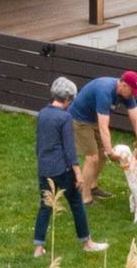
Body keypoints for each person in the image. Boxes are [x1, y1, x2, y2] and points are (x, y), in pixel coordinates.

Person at [32, 77, 107, 257]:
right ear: (67, 99)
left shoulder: (42, 113)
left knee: (45, 206)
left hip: (44, 168)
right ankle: (87, 242)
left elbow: (39, 143)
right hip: (62, 169)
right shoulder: (65, 117)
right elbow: (69, 148)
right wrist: (78, 173)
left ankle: (38, 249)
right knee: (76, 204)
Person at [71, 69, 137, 202]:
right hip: (80, 120)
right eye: (132, 91)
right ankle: (84, 197)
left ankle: (92, 186)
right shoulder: (105, 91)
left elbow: (136, 119)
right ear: (124, 85)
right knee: (92, 158)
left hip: (94, 119)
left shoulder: (127, 94)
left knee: (102, 155)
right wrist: (110, 152)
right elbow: (103, 127)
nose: (133, 95)